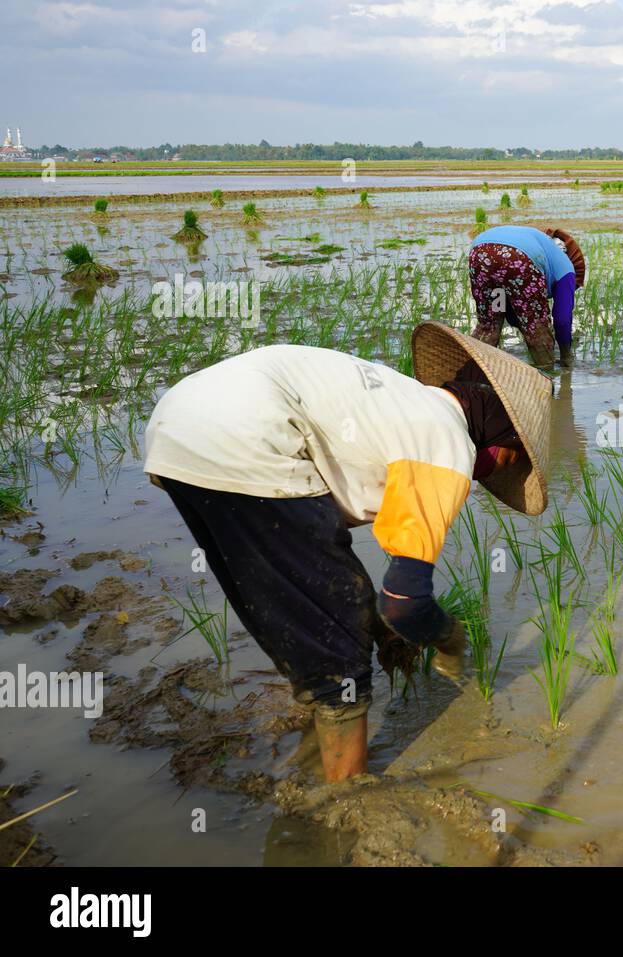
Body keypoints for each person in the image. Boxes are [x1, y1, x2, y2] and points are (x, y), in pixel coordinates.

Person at [142, 324, 552, 782]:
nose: (486, 476)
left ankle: (315, 747)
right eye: (506, 461)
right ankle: (347, 799)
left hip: (176, 427)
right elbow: (404, 600)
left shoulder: (403, 404)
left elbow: (315, 553)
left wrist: (373, 622)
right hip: (251, 436)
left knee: (306, 610)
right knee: (339, 660)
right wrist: (448, 638)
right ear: (496, 435)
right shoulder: (447, 444)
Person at [467, 225, 585, 371]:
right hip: (517, 257)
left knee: (489, 325)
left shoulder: (543, 246)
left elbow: (508, 304)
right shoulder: (567, 269)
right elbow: (562, 319)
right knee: (536, 327)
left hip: (480, 252)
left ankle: (468, 374)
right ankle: (546, 381)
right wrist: (566, 355)